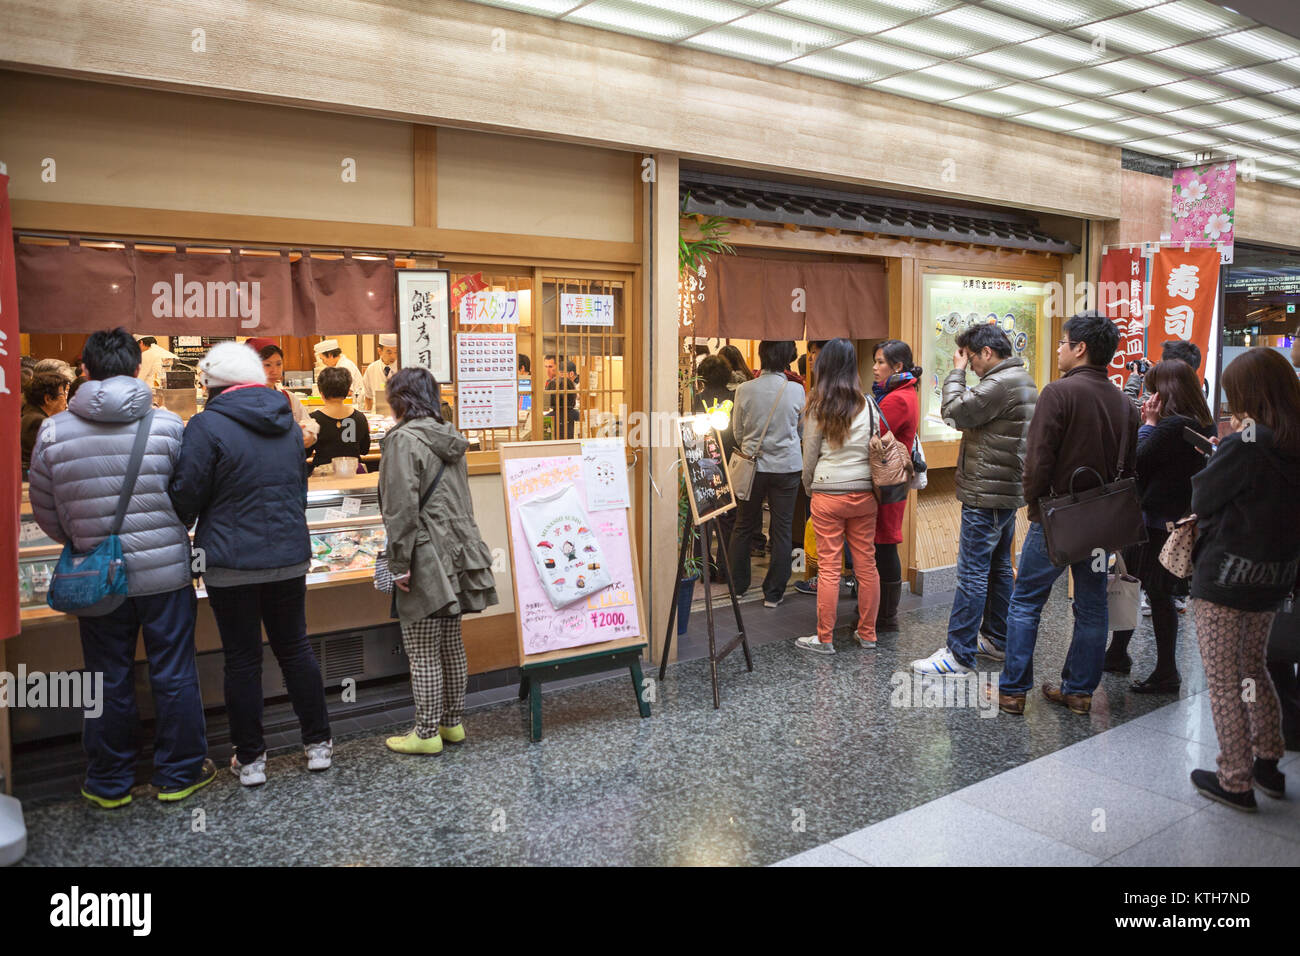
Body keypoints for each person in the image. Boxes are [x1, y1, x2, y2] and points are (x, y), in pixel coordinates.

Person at [27, 327, 214, 807]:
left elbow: (46, 511)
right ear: (137, 369)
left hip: (94, 575)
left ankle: (110, 781)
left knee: (106, 675)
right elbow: (187, 496)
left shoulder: (53, 430)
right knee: (173, 670)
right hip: (166, 574)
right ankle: (179, 773)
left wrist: (84, 540)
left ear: (84, 371)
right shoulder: (169, 425)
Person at [169, 341, 333, 787]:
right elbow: (296, 486)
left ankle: (252, 760)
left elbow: (187, 493)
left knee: (242, 660)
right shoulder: (285, 419)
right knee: (295, 648)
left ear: (215, 384)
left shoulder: (205, 426)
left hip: (229, 560)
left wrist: (186, 516)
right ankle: (318, 745)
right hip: (287, 554)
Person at [998, 311, 1139, 716]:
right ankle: (1079, 692)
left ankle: (1012, 691)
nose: (1059, 348)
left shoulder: (1057, 393)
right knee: (1092, 606)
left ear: (1079, 348)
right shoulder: (1125, 403)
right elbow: (1130, 469)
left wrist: (1034, 502)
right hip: (1101, 524)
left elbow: (1038, 459)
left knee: (1026, 602)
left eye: (1063, 342)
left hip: (1058, 519)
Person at [1186, 348, 1300, 811]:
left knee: (1225, 679)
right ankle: (1268, 763)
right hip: (1274, 578)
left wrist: (1221, 453)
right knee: (1254, 667)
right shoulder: (1293, 441)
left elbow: (1205, 496)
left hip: (1226, 578)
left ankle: (1234, 778)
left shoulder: (1246, 439)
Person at [380, 367, 498, 755]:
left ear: (399, 399)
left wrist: (398, 563)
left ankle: (426, 733)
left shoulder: (402, 441)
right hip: (459, 549)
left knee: (422, 648)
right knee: (451, 643)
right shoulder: (450, 436)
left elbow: (400, 510)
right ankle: (452, 724)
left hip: (425, 554)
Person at [912, 325, 1037, 676]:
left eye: (970, 356)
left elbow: (953, 412)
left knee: (972, 574)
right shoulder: (1021, 378)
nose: (970, 364)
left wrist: (955, 371)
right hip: (1003, 491)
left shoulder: (1000, 383)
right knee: (997, 569)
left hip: (986, 494)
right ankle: (997, 638)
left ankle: (959, 653)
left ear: (985, 352)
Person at [1102, 360, 1215, 692]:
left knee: (1151, 590)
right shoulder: (1201, 423)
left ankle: (1165, 670)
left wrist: (1148, 423)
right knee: (1139, 584)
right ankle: (1119, 653)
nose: (1150, 395)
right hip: (1171, 517)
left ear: (1168, 391)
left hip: (1153, 521)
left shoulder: (1170, 425)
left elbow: (1135, 459)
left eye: (1154, 389)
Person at [794, 339, 881, 655]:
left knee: (830, 568)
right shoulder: (869, 404)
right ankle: (868, 634)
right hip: (864, 494)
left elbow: (809, 458)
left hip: (828, 494)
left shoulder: (818, 406)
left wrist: (810, 488)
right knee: (866, 565)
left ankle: (825, 638)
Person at [727, 340, 805, 608]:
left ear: (762, 355)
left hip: (754, 466)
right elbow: (802, 432)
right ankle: (773, 593)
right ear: (788, 358)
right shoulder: (796, 390)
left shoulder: (745, 389)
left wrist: (752, 446)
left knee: (743, 524)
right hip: (787, 468)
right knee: (781, 529)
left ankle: (737, 587)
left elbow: (736, 430)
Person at [870, 339, 921, 631]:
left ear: (897, 366)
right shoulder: (904, 391)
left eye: (880, 362)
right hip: (894, 479)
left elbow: (875, 433)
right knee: (884, 542)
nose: (875, 368)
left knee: (885, 543)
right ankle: (882, 613)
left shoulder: (897, 398)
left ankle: (886, 616)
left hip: (888, 479)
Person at [693, 355, 738, 580]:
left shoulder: (696, 399)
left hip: (701, 461)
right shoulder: (734, 398)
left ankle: (702, 566)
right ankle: (725, 567)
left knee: (703, 515)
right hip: (729, 461)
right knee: (728, 516)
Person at [251, 339, 319, 450]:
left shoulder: (289, 398)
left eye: (279, 364)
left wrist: (309, 435)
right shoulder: (244, 399)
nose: (275, 370)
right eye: (267, 365)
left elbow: (308, 423)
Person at [308, 366, 372, 474]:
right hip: (354, 476)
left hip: (324, 478)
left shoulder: (313, 419)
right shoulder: (360, 417)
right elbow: (364, 450)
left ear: (321, 392)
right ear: (347, 392)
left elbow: (306, 452)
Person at [1123, 339, 1201, 404]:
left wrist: (1133, 381)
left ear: (1170, 369)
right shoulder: (1197, 396)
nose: (1158, 366)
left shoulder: (1164, 398)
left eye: (1160, 363)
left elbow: (1129, 412)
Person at [21, 372, 68, 477]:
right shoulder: (41, 422)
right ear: (48, 399)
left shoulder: (29, 414)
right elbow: (52, 459)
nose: (65, 400)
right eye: (63, 394)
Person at [361, 333, 399, 410]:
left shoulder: (402, 368)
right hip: (377, 416)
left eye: (396, 352)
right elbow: (368, 397)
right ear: (379, 351)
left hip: (398, 414)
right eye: (389, 352)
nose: (393, 356)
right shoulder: (371, 369)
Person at [546, 358, 580, 439]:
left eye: (561, 373)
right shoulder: (578, 416)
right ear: (573, 395)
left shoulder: (547, 418)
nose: (560, 376)